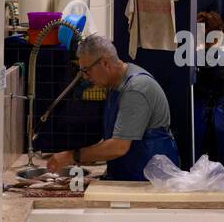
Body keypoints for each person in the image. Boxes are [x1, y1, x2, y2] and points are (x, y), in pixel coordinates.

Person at [45, 35, 179, 181]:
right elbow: (117, 136)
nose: (85, 77)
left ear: (105, 63)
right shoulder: (114, 85)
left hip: (150, 182)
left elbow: (118, 146)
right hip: (130, 176)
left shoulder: (136, 89)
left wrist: (72, 156)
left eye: (86, 70)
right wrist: (88, 157)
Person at [193, 12, 224, 168]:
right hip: (220, 115)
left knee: (198, 163)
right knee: (222, 162)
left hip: (198, 116)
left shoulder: (191, 58)